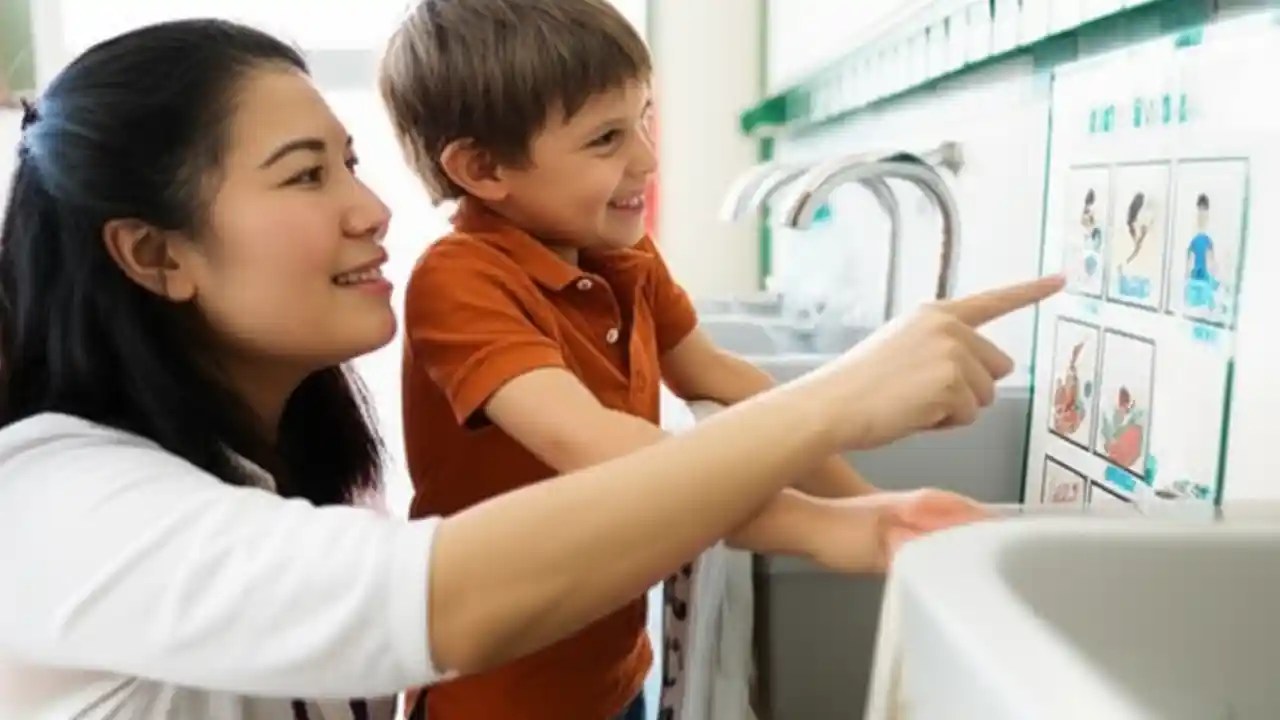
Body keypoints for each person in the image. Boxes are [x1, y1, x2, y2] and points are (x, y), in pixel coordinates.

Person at [0, 17, 1061, 720]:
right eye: (305, 174)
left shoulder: (267, 472)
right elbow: (445, 601)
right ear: (154, 254)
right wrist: (841, 449)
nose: (371, 211)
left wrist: (881, 514)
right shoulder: (53, 501)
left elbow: (704, 386)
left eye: (352, 163)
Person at [378, 2, 1011, 718]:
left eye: (644, 118)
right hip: (499, 698)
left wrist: (872, 506)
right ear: (483, 167)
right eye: (607, 138)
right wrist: (826, 528)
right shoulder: (459, 282)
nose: (647, 159)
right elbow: (616, 459)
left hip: (611, 674)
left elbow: (728, 381)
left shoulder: (621, 254)